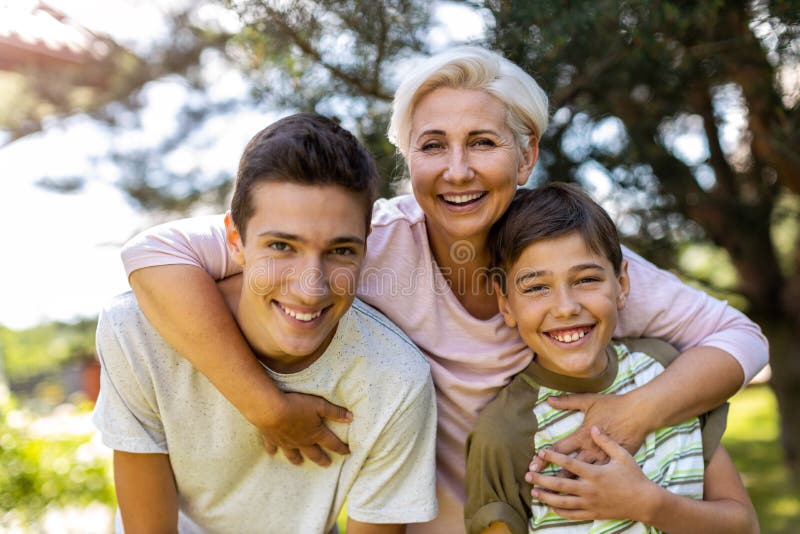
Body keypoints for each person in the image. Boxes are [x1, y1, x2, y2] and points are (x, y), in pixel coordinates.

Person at [118, 46, 768, 532]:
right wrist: (264, 404)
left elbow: (739, 337)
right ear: (410, 161)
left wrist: (636, 412)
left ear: (526, 155)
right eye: (433, 146)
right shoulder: (360, 242)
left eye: (482, 143)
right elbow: (154, 254)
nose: (458, 171)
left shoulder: (566, 261)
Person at [93, 113, 438, 533]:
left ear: (366, 247)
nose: (310, 288)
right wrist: (268, 407)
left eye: (341, 251)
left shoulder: (395, 380)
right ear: (234, 241)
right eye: (281, 246)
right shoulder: (136, 330)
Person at [464, 183, 758, 534]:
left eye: (586, 279)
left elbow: (745, 526)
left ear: (622, 285)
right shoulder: (503, 434)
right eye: (537, 287)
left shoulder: (665, 368)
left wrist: (649, 505)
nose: (566, 307)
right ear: (505, 304)